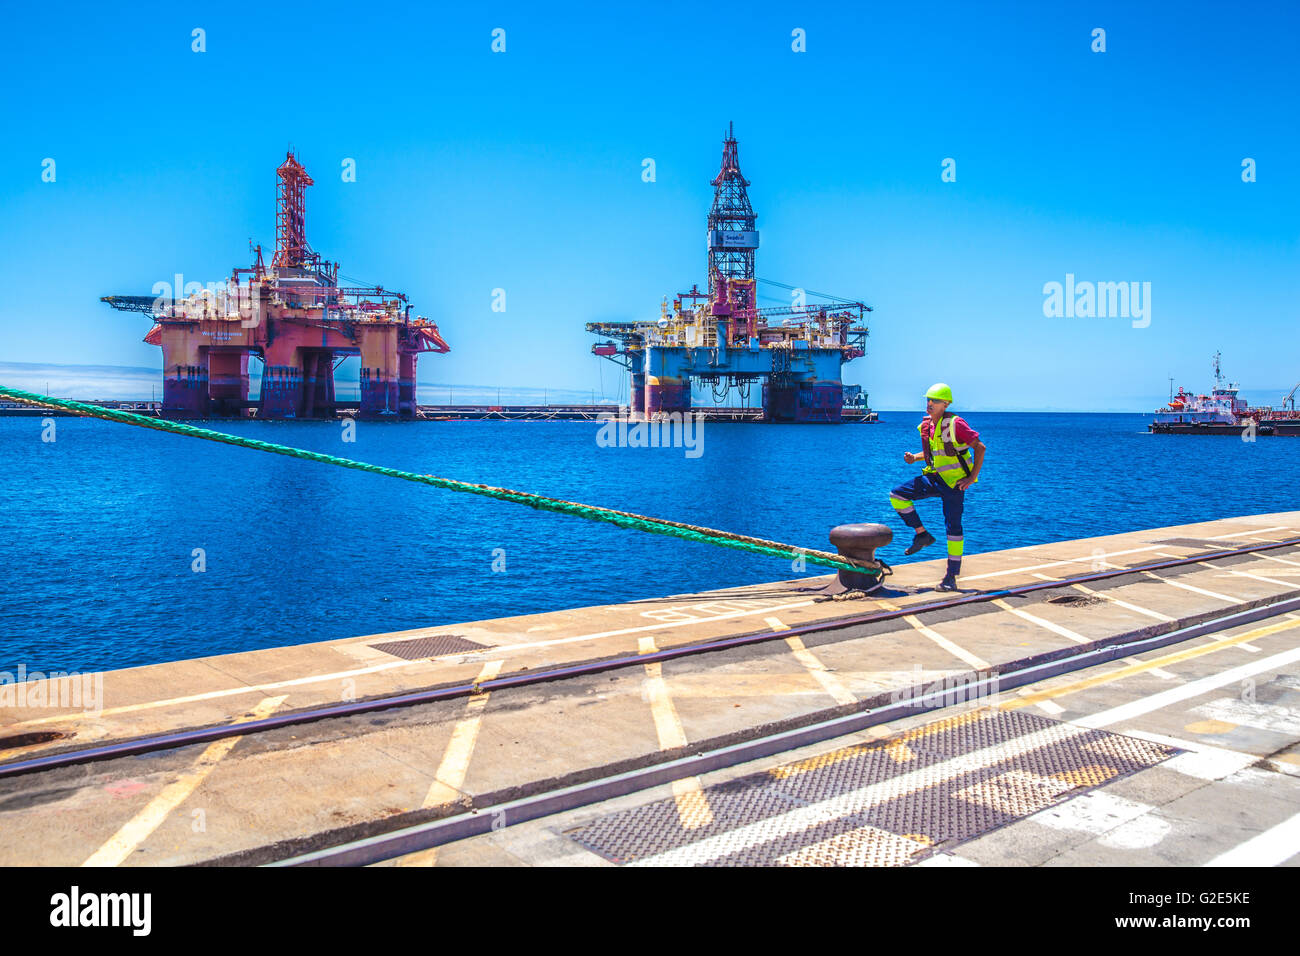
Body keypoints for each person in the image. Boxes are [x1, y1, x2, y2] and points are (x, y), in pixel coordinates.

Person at [889, 383, 985, 590]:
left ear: (946, 404)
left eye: (935, 400)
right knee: (896, 495)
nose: (929, 403)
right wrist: (915, 457)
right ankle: (921, 534)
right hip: (935, 478)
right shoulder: (929, 425)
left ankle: (951, 576)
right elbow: (935, 453)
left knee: (953, 527)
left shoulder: (956, 424)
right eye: (928, 400)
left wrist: (971, 478)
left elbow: (980, 447)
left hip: (954, 484)